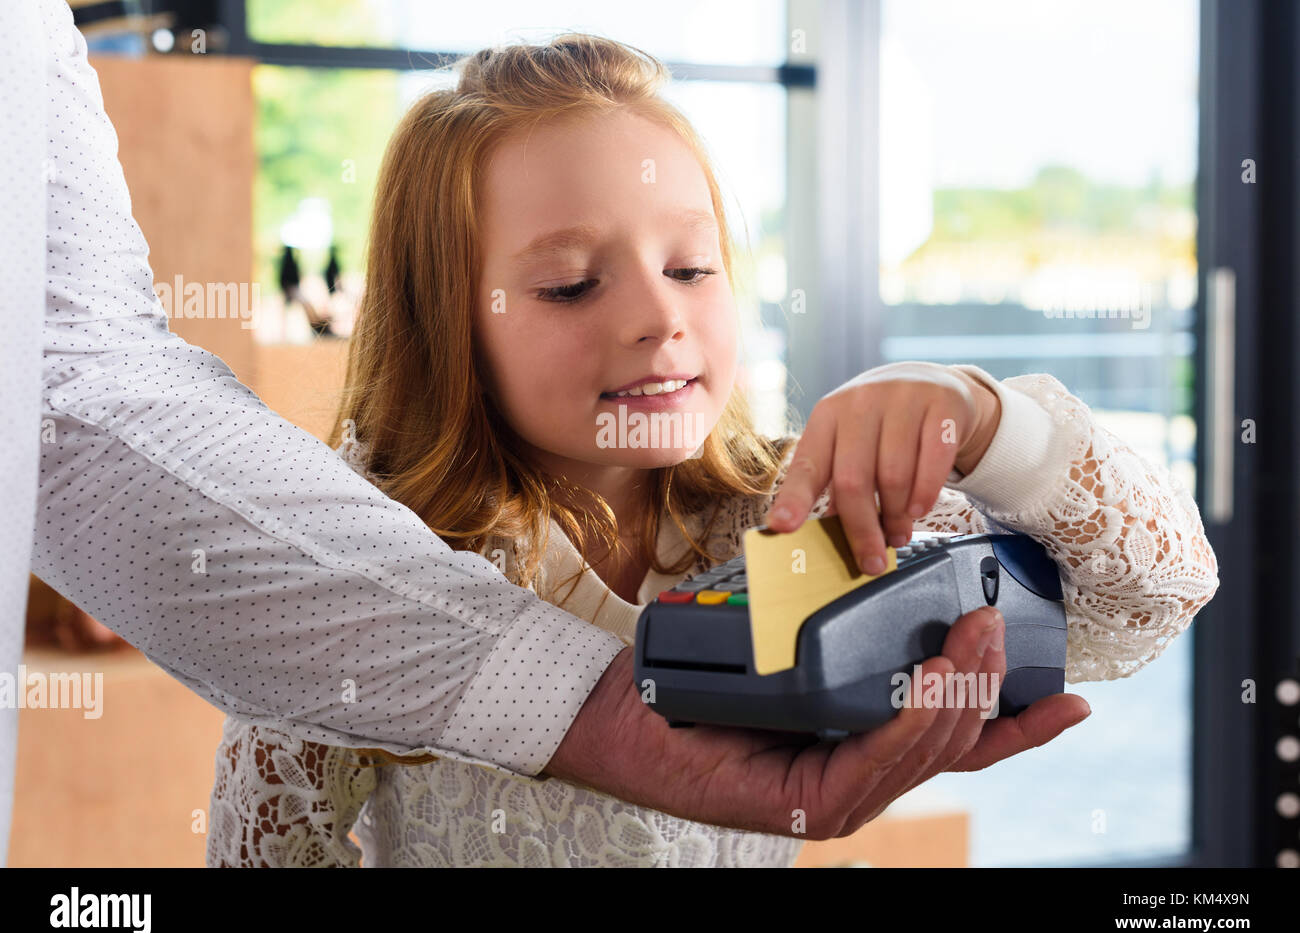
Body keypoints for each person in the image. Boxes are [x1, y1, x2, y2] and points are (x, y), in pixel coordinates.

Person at [0, 1, 1107, 868]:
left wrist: (978, 415)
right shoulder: (360, 575)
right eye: (571, 287)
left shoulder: (789, 523)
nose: (657, 316)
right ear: (450, 331)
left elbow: (1140, 603)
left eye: (690, 267)